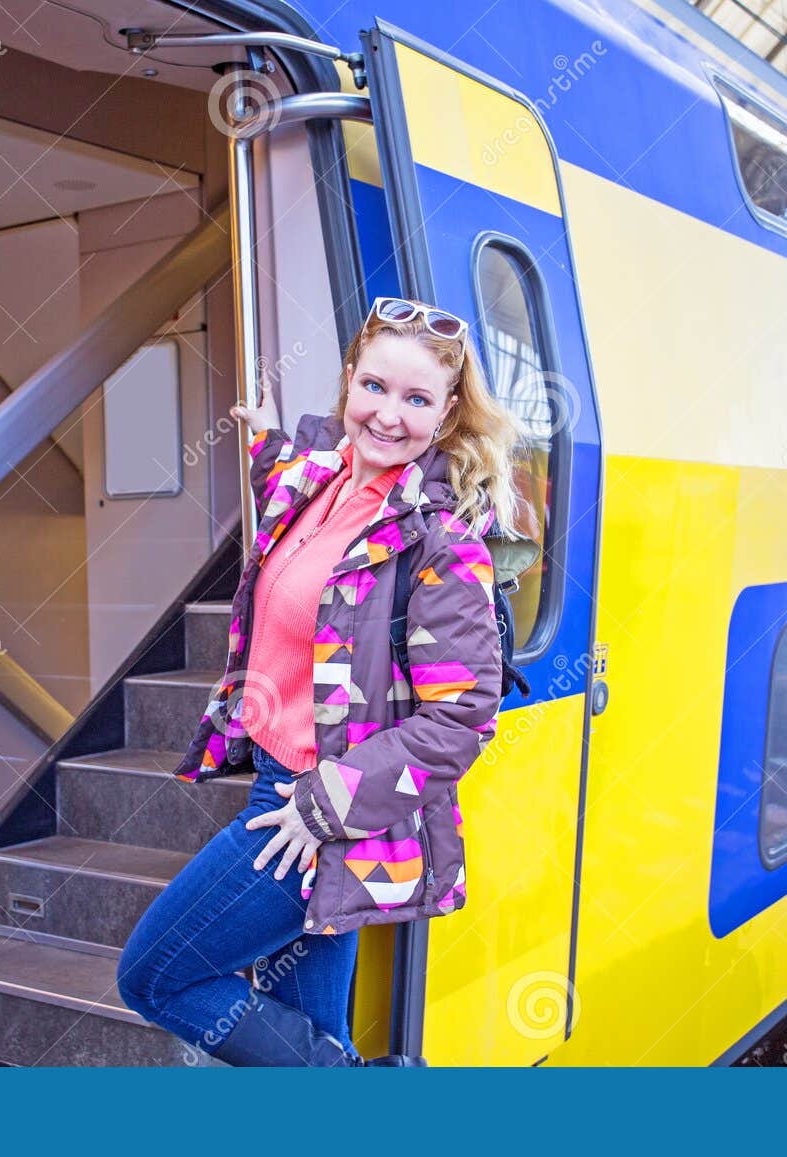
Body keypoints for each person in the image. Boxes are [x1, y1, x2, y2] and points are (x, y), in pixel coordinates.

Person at [116, 297, 534, 1066]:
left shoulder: (439, 542)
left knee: (155, 977)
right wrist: (266, 434)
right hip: (279, 780)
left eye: (416, 399)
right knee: (304, 1024)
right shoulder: (319, 481)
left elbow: (463, 717)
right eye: (374, 387)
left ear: (444, 416)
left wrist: (318, 806)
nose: (387, 415)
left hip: (323, 806)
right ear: (348, 383)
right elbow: (286, 473)